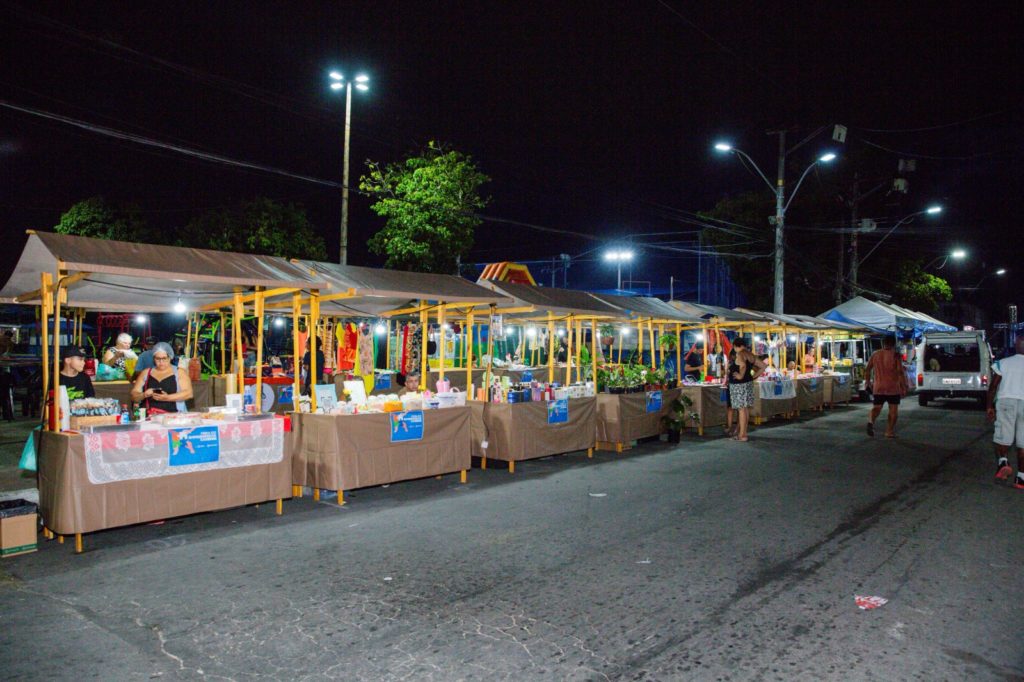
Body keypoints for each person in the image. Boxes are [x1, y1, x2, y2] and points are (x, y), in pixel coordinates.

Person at [987, 336, 1024, 489]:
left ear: (1016, 345)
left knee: (1002, 437)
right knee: (1023, 443)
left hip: (1006, 402)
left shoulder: (1004, 363)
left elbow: (993, 386)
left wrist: (989, 406)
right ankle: (1021, 478)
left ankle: (1003, 461)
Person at [865, 335, 909, 438]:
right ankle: (889, 431)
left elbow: (867, 369)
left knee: (877, 407)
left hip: (878, 386)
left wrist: (868, 382)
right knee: (893, 410)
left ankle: (871, 421)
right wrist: (904, 386)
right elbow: (900, 372)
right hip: (892, 387)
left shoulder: (875, 354)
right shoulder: (896, 355)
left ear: (883, 343)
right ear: (894, 343)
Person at [130, 342, 193, 413]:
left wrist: (167, 398)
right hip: (150, 416)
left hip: (173, 416)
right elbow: (134, 396)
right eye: (158, 359)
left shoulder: (179, 372)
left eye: (164, 358)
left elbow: (188, 394)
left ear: (170, 357)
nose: (161, 362)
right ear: (153, 358)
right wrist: (144, 394)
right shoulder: (146, 373)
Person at [728, 337, 766, 442]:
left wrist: (740, 375)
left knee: (741, 409)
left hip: (739, 385)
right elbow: (763, 366)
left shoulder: (740, 354)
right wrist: (754, 376)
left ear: (736, 346)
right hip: (748, 383)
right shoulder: (750, 355)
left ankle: (742, 435)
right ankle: (743, 433)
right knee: (745, 409)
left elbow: (743, 366)